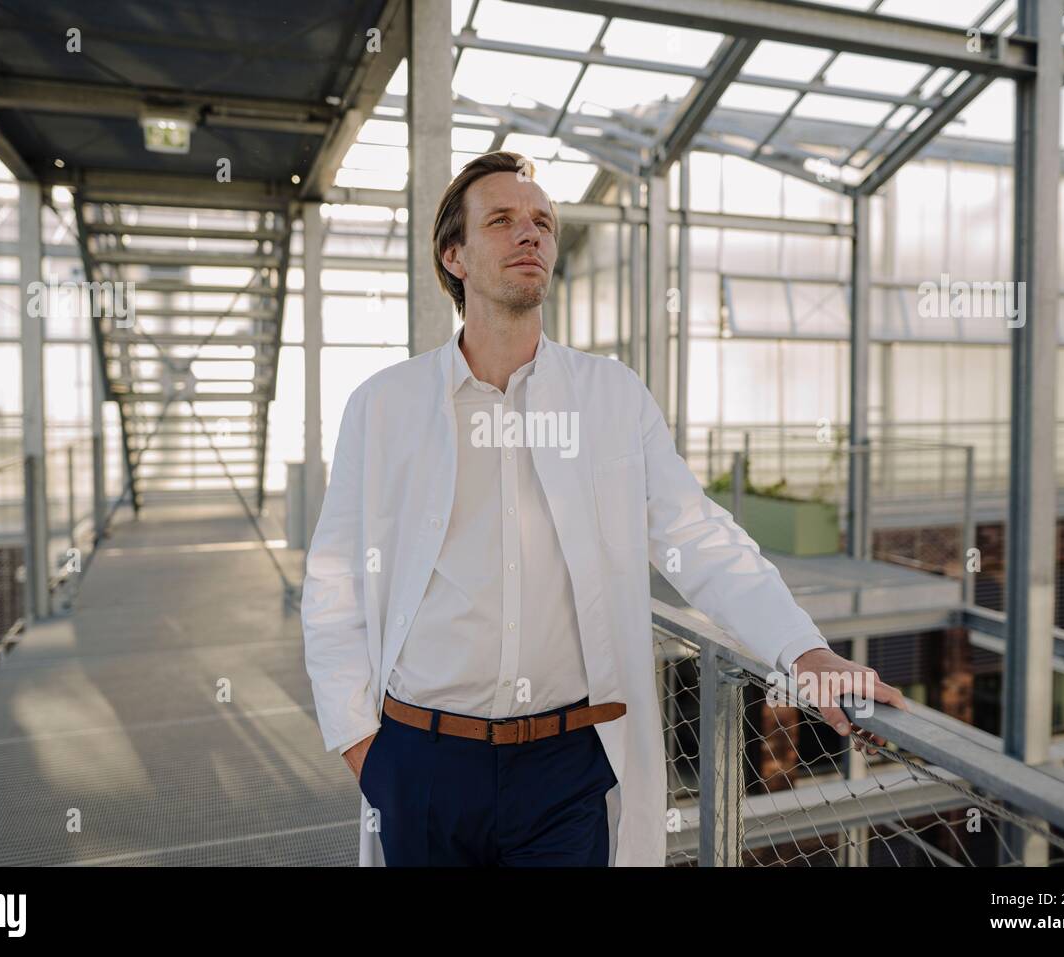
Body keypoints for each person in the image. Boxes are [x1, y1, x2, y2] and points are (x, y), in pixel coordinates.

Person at [301, 150, 904, 867]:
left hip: (565, 771)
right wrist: (363, 750)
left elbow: (696, 536)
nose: (531, 234)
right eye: (502, 220)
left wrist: (801, 648)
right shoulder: (383, 405)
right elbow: (333, 582)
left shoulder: (611, 397)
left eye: (543, 222)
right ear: (454, 256)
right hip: (423, 764)